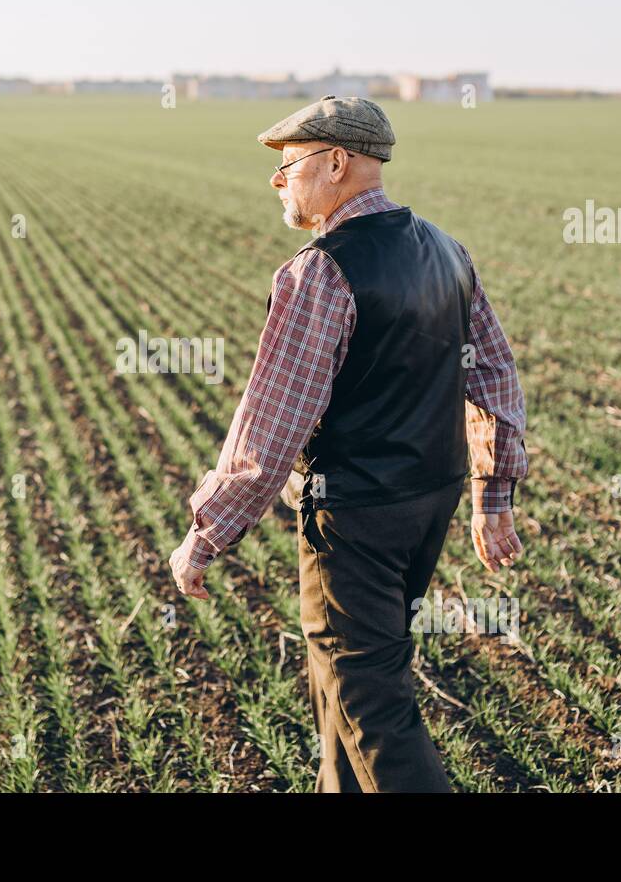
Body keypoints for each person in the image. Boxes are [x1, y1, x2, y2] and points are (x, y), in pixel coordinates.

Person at [168, 95, 528, 792]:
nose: (277, 181)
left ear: (337, 163)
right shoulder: (448, 251)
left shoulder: (320, 271)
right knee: (343, 690)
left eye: (289, 165)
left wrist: (206, 532)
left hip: (355, 517)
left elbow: (270, 430)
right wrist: (492, 495)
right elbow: (494, 374)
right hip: (429, 502)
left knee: (371, 707)